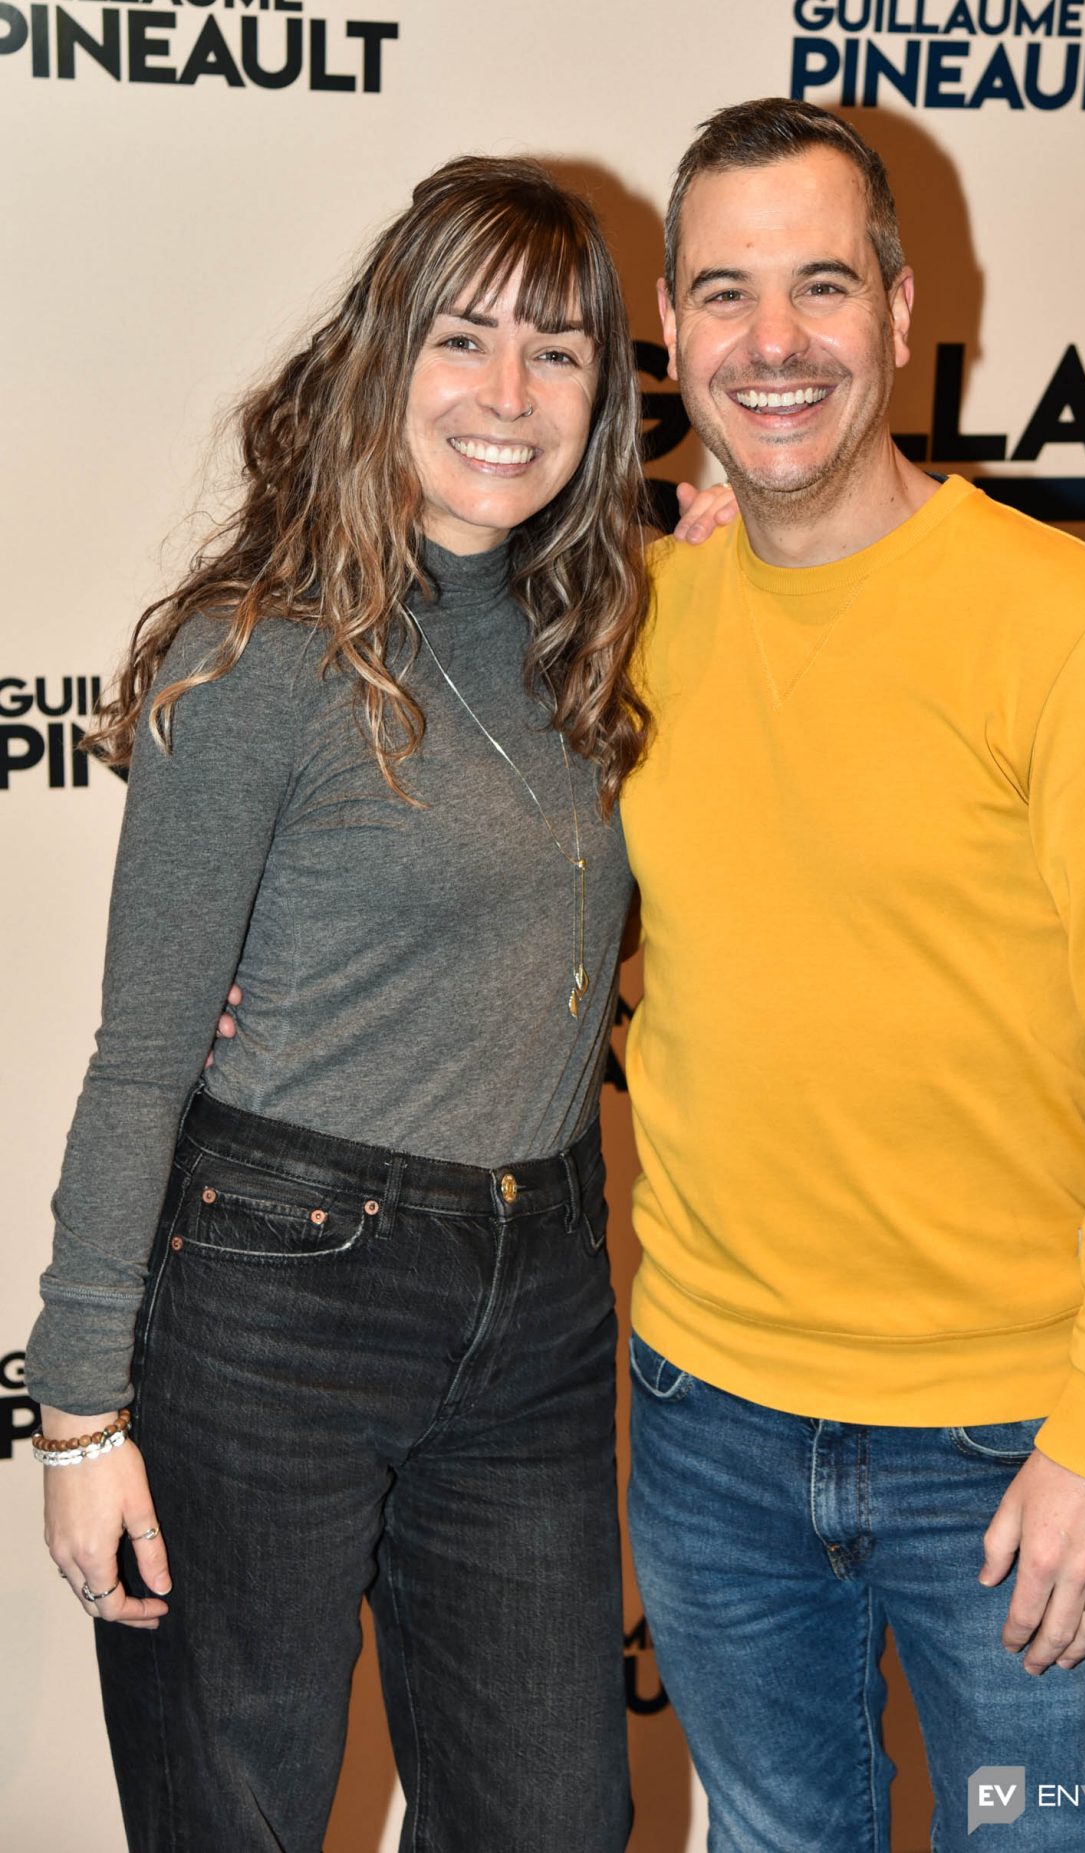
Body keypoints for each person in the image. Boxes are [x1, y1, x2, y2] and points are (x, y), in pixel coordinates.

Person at [620, 98, 1085, 1851]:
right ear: (671, 328)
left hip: (1006, 1438)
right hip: (706, 1419)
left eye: (822, 285)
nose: (774, 341)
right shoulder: (640, 610)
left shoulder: (1066, 626)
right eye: (727, 293)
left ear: (900, 311)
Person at [26, 155, 657, 1853]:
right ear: (386, 354)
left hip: (539, 1297)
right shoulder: (257, 655)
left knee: (554, 1822)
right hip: (275, 1294)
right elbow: (143, 1058)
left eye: (557, 350)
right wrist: (76, 1412)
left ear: (603, 395)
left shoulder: (606, 637)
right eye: (464, 337)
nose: (508, 393)